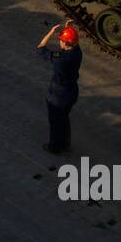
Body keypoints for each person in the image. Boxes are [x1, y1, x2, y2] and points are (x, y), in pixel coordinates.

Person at [37, 20, 82, 154]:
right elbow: (74, 42)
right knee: (64, 118)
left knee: (55, 122)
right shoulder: (77, 53)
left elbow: (40, 49)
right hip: (72, 92)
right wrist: (69, 30)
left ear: (64, 43)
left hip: (58, 95)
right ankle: (66, 143)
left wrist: (51, 32)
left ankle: (55, 147)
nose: (59, 42)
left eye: (61, 40)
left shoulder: (60, 60)